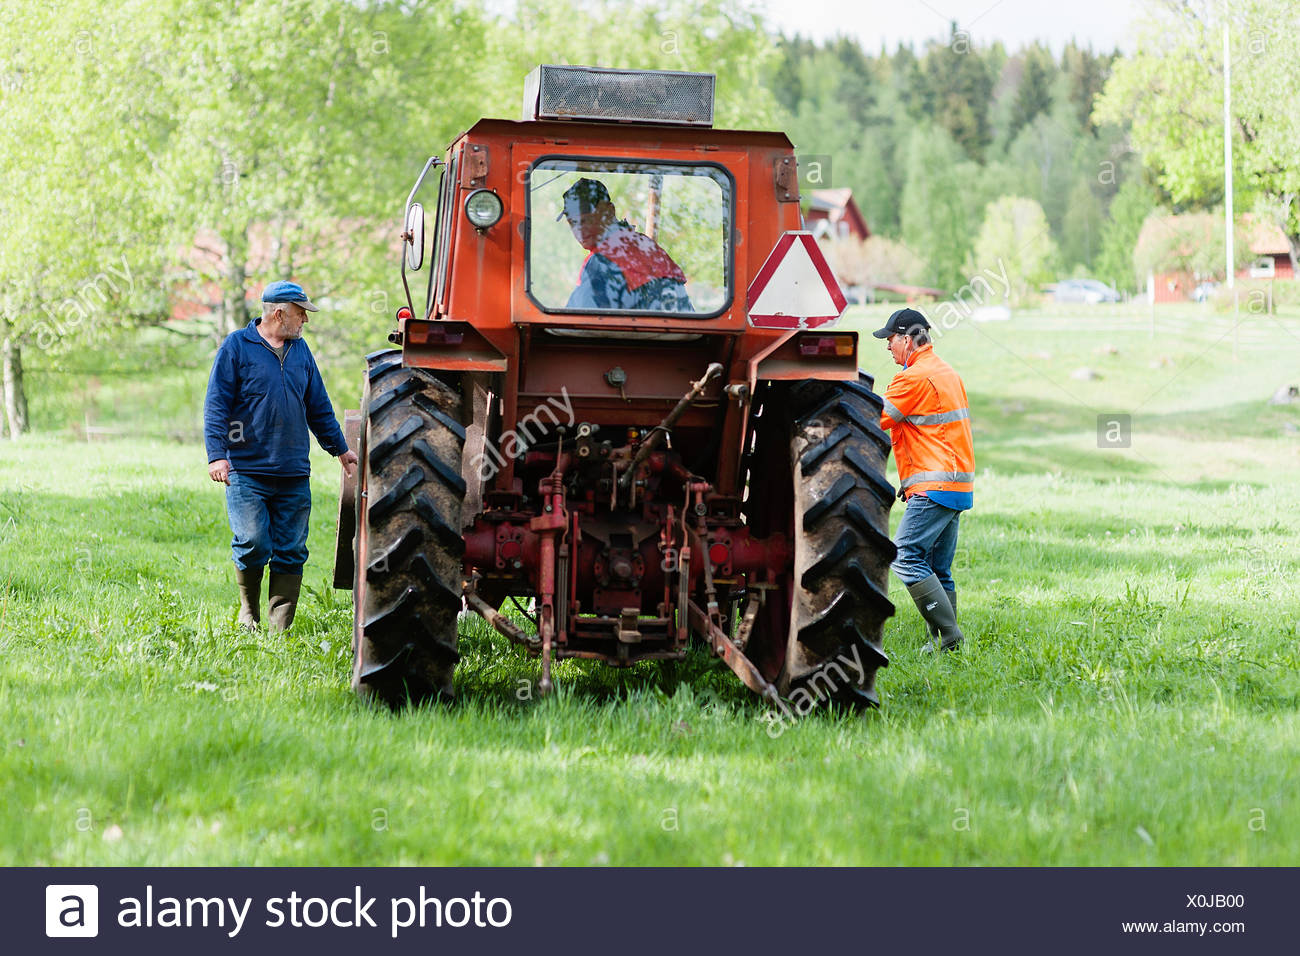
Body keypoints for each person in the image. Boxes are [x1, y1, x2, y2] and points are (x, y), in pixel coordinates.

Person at [203, 280, 358, 631]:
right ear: (279, 313)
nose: (305, 321)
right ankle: (249, 612)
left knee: (291, 550)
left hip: (292, 472)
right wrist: (217, 455)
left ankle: (279, 629)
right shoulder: (237, 348)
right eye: (301, 314)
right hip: (246, 469)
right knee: (253, 542)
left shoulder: (301, 352)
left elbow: (319, 407)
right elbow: (216, 405)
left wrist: (341, 450)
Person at [873, 307, 974, 652]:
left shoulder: (912, 377)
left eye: (890, 339)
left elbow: (874, 421)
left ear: (906, 338)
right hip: (957, 483)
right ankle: (945, 645)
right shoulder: (947, 372)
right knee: (938, 568)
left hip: (934, 485)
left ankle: (949, 635)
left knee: (904, 555)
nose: (887, 347)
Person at [558, 178, 693, 312]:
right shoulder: (646, 246)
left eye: (587, 220)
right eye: (573, 223)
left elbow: (581, 321)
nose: (580, 230)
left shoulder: (602, 261)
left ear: (609, 212)